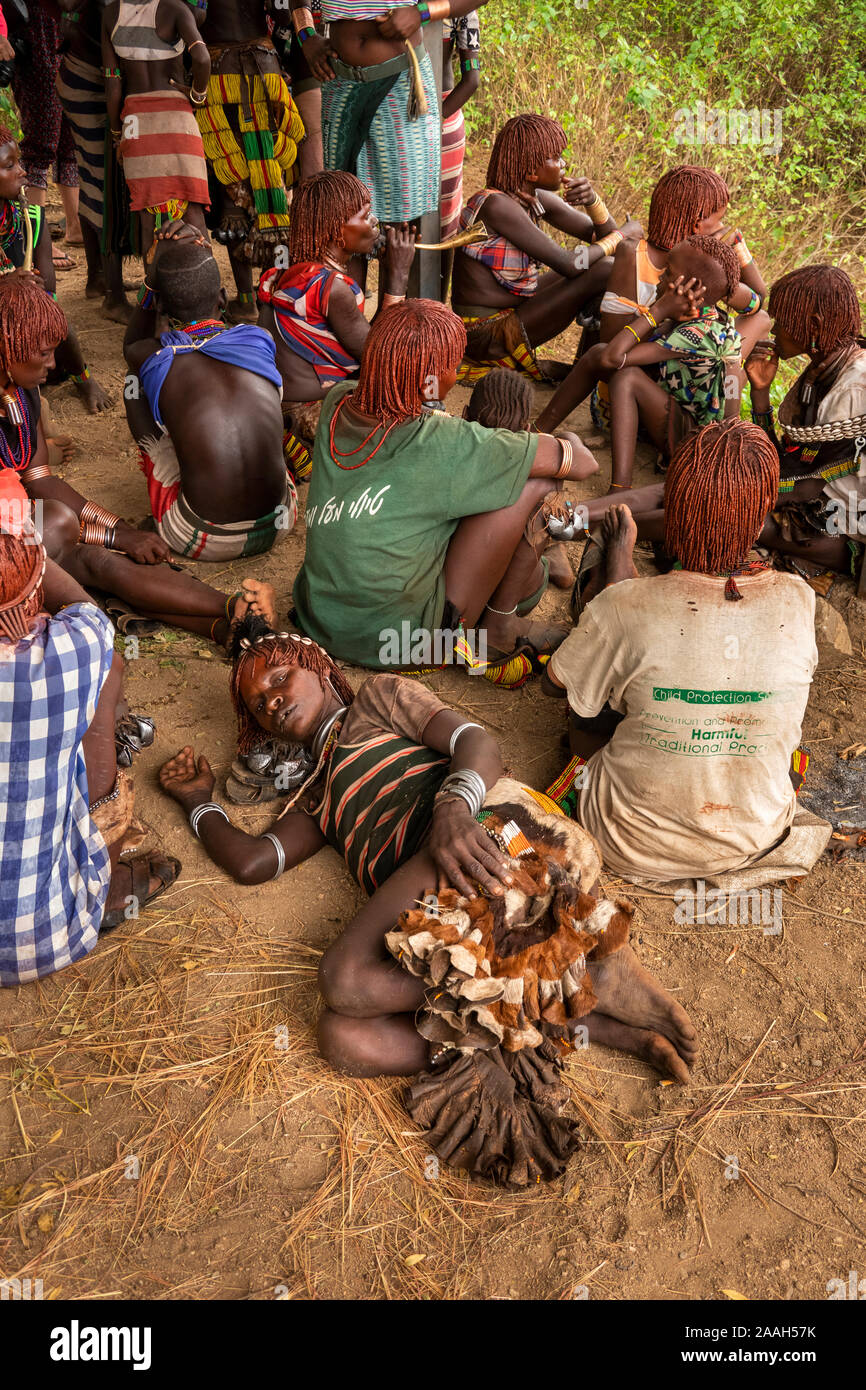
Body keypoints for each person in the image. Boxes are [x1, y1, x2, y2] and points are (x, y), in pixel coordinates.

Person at [157, 615, 698, 1183]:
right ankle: (552, 1008)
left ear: (318, 667)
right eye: (258, 706)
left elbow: (476, 745)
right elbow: (252, 861)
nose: (271, 701)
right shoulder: (317, 797)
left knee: (342, 980)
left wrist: (450, 813)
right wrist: (199, 800)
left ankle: (566, 978)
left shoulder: (377, 701)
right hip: (462, 917)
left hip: (509, 843)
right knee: (343, 1037)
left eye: (279, 678)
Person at [543, 420, 832, 891]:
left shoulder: (625, 606)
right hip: (753, 838)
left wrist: (619, 577)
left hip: (627, 841)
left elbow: (557, 689)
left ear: (673, 505)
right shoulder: (798, 600)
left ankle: (612, 571)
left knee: (595, 694)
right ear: (761, 517)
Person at [291, 299, 599, 685]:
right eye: (454, 367)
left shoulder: (340, 399)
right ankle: (498, 630)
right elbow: (583, 462)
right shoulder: (445, 441)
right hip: (403, 641)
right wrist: (558, 436)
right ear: (430, 382)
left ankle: (540, 565)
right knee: (536, 481)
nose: (456, 375)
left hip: (321, 617)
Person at [0, 272, 276, 639]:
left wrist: (123, 533)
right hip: (10, 544)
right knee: (64, 530)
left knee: (97, 559)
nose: (54, 365)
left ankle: (230, 617)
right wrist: (114, 536)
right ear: (7, 349)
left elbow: (38, 479)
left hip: (27, 531)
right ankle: (93, 632)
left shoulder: (22, 392)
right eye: (44, 353)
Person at [0, 528, 180, 986]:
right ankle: (106, 879)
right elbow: (87, 612)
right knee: (102, 717)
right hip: (44, 938)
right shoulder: (69, 649)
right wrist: (32, 552)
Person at [124, 221, 295, 559]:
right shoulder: (257, 339)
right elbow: (217, 341)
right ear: (222, 298)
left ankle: (161, 474)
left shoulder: (155, 357)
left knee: (133, 382)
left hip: (201, 537)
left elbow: (130, 345)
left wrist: (150, 283)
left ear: (160, 307)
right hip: (280, 520)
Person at [536, 235, 744, 490]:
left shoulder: (696, 334)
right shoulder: (704, 318)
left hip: (695, 447)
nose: (659, 278)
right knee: (602, 356)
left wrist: (658, 310)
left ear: (688, 288)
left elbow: (612, 357)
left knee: (626, 376)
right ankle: (537, 431)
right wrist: (663, 311)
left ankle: (620, 488)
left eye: (667, 272)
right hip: (685, 426)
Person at [450, 112, 638, 382]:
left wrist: (594, 202)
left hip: (512, 315)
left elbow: (603, 237)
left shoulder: (534, 198)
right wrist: (623, 234)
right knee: (603, 269)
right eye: (556, 157)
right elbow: (571, 264)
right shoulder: (496, 205)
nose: (564, 164)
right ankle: (587, 370)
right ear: (530, 170)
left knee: (607, 266)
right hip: (484, 335)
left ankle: (584, 367)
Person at [256, 169, 415, 481]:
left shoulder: (297, 271)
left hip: (279, 407)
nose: (375, 224)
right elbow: (379, 353)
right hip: (310, 417)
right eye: (366, 216)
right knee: (409, 386)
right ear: (335, 230)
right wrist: (397, 277)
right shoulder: (332, 288)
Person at [590, 163, 770, 432]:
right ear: (698, 222)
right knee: (728, 353)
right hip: (640, 384)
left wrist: (726, 262)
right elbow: (610, 351)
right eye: (719, 217)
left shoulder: (703, 264)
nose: (723, 225)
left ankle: (720, 424)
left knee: (759, 323)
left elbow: (759, 302)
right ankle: (719, 426)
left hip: (685, 382)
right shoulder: (635, 255)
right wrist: (666, 315)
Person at [306, 1, 478, 256]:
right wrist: (306, 35)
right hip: (338, 82)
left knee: (399, 226)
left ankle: (394, 297)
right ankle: (350, 296)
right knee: (342, 220)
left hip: (401, 83)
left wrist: (420, 13)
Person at [744, 264, 866, 587]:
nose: (774, 332)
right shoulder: (824, 369)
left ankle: (601, 520)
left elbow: (801, 483)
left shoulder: (854, 389)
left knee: (730, 515)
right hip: (809, 503)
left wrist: (744, 489)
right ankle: (597, 516)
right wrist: (760, 393)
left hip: (841, 530)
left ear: (814, 326)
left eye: (782, 323)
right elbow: (790, 460)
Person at [192, 0, 305, 322]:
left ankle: (245, 301)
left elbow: (194, 18)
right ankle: (273, 293)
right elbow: (283, 15)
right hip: (265, 67)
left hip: (218, 74)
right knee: (272, 189)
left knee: (234, 190)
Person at [0, 123, 111, 412]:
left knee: (59, 323)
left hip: (25, 307)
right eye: (9, 165)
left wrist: (26, 284)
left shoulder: (32, 217)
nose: (23, 172)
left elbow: (47, 284)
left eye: (19, 162)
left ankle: (83, 379)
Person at [102, 0, 212, 255]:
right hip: (177, 117)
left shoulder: (110, 15)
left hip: (136, 121)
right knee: (192, 207)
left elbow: (112, 84)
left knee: (147, 213)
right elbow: (202, 59)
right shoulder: (175, 9)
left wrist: (118, 134)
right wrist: (197, 95)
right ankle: (204, 285)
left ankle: (154, 292)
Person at [56, 0, 135, 323]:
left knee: (94, 176)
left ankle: (98, 278)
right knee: (105, 182)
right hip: (92, 79)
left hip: (91, 75)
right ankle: (113, 296)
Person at [10, 0, 82, 256]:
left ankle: (75, 225)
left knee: (68, 140)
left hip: (60, 36)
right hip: (36, 38)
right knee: (40, 144)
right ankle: (36, 239)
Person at [440, 7, 480, 238]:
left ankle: (443, 276)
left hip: (443, 117)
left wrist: (437, 121)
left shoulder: (461, 8)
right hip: (439, 118)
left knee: (444, 219)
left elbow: (472, 79)